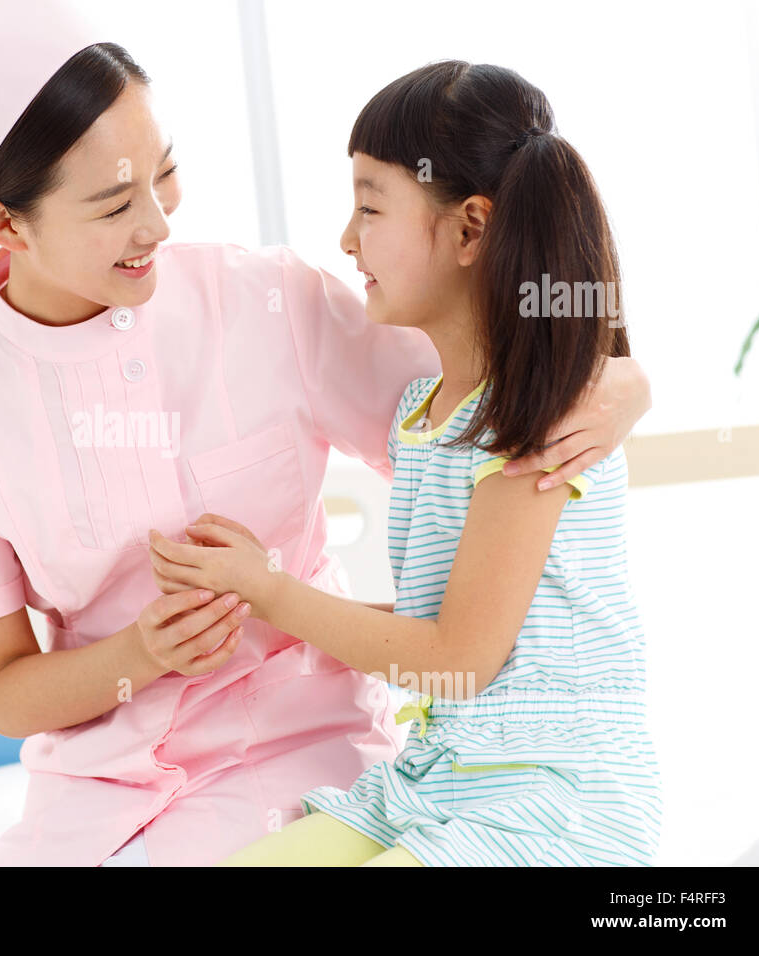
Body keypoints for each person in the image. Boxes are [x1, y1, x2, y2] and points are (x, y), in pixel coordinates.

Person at [0, 0, 653, 866]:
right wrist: (142, 653)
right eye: (112, 206)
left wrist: (623, 381)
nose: (159, 225)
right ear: (3, 222)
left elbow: (498, 383)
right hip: (105, 796)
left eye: (163, 175)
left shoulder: (268, 302)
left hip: (310, 755)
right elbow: (3, 691)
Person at [148, 61, 661, 866]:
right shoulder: (422, 418)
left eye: (370, 208)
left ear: (467, 231)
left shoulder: (539, 425)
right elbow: (445, 632)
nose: (347, 239)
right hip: (437, 785)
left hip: (552, 803)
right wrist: (258, 599)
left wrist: (272, 589)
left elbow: (457, 660)